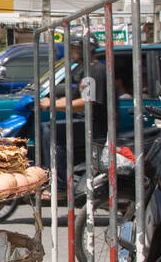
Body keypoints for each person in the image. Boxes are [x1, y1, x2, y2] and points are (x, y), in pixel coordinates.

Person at [36, 33, 108, 194]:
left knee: (52, 131)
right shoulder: (86, 71)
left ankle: (60, 185)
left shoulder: (96, 71)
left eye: (74, 49)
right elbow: (73, 97)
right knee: (46, 127)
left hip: (96, 126)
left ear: (84, 50)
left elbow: (85, 102)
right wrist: (48, 102)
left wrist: (52, 105)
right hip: (88, 121)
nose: (72, 53)